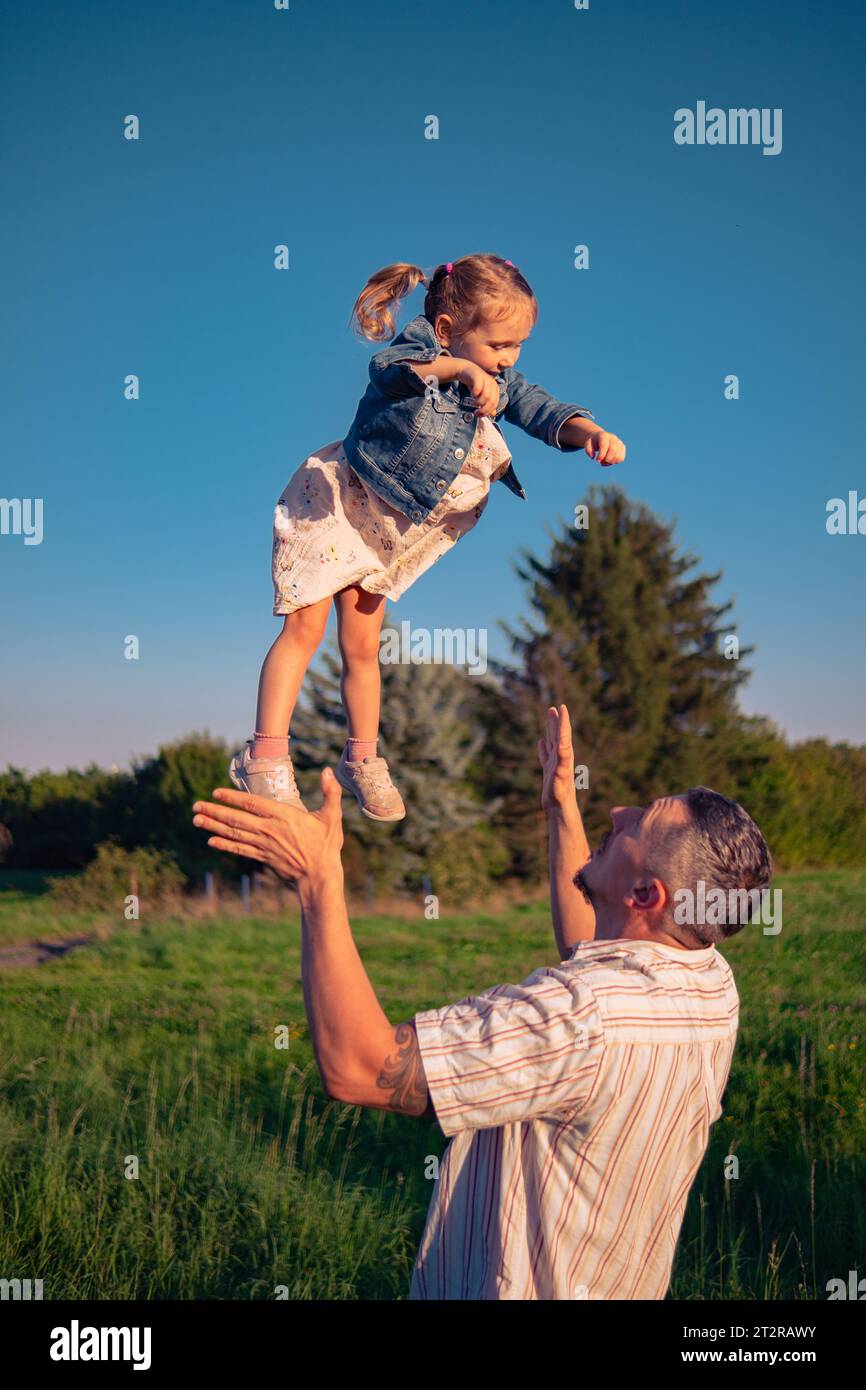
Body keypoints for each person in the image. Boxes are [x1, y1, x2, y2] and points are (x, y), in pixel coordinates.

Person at [192, 704, 772, 1301]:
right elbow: (593, 948)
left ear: (647, 893)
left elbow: (359, 1068)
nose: (618, 811)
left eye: (636, 825)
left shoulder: (579, 1018)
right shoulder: (710, 985)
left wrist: (318, 880)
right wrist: (560, 810)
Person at [228, 254, 626, 821]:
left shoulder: (502, 381)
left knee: (363, 648)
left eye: (518, 347)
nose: (508, 361)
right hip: (337, 503)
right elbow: (391, 373)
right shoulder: (418, 354)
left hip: (387, 530)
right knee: (306, 628)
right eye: (498, 347)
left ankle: (362, 758)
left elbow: (543, 411)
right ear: (446, 332)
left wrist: (591, 432)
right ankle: (264, 756)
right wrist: (460, 372)